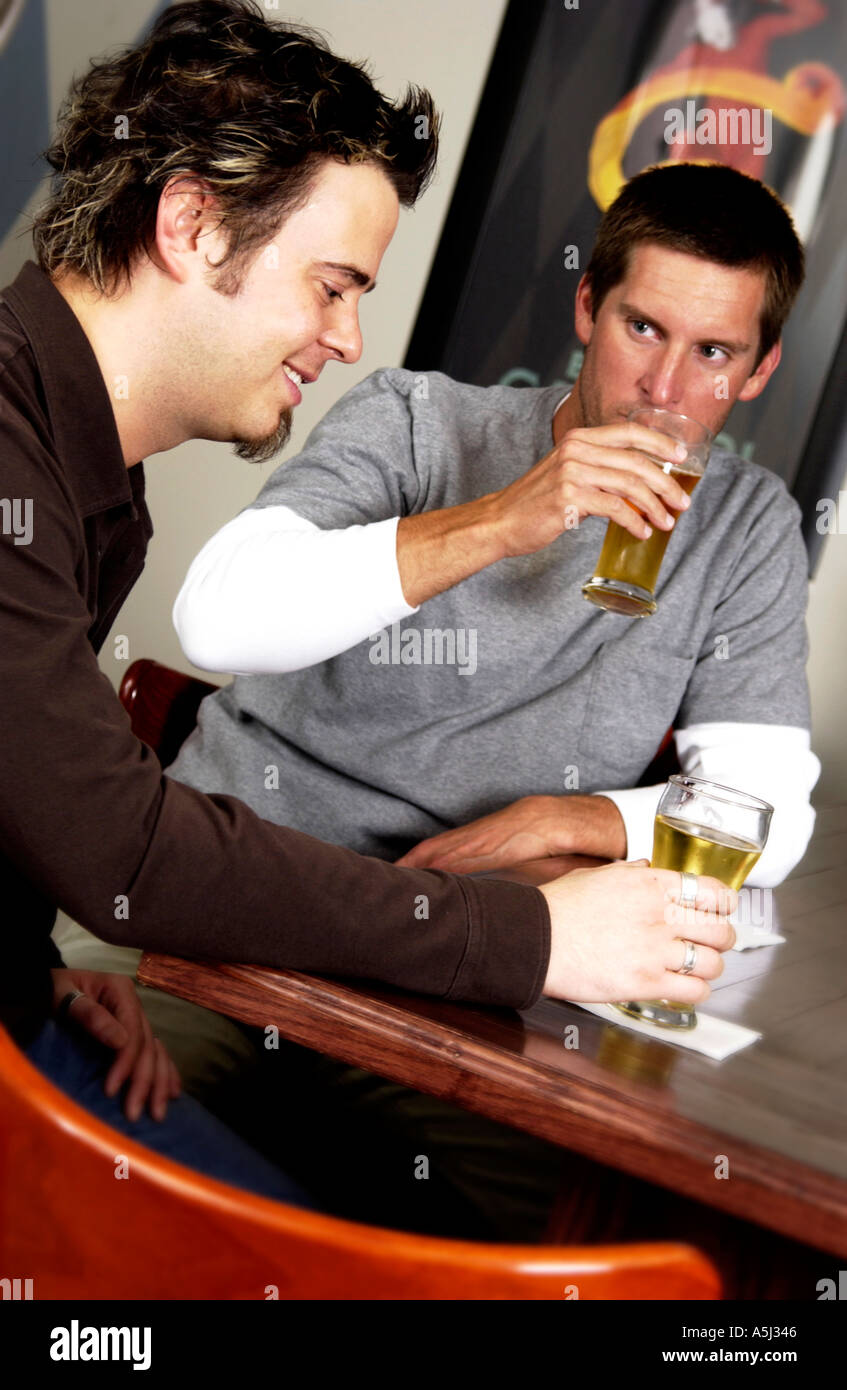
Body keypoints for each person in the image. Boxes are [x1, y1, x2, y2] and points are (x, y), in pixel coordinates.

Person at [0, 0, 732, 1212]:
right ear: (191, 222)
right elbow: (120, 847)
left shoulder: (85, 460)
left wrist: (29, 974)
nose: (347, 339)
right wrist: (530, 937)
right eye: (332, 286)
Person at [164, 160, 820, 1248]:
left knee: (579, 1249)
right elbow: (216, 617)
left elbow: (767, 808)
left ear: (756, 372)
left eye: (713, 352)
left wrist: (563, 820)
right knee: (108, 1163)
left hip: (459, 978)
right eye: (642, 327)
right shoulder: (420, 421)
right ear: (585, 308)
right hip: (231, 921)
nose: (664, 388)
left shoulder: (745, 529)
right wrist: (509, 518)